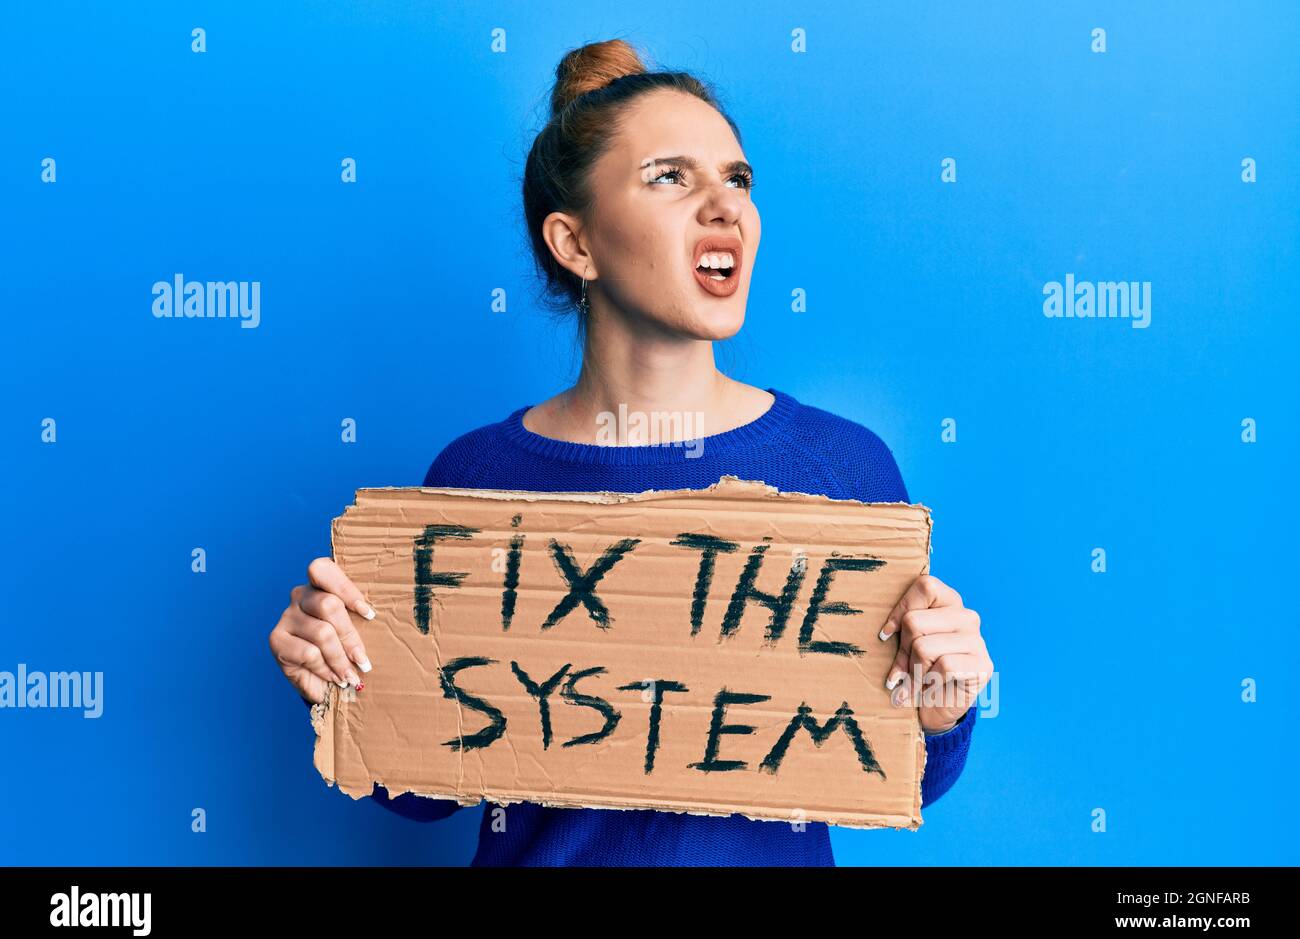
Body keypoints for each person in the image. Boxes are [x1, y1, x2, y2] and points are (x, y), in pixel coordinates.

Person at [268, 38, 994, 866]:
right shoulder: (474, 481)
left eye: (737, 179)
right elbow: (419, 792)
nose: (725, 206)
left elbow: (898, 775)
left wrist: (943, 699)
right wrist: (340, 685)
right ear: (576, 245)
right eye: (671, 177)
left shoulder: (843, 471)